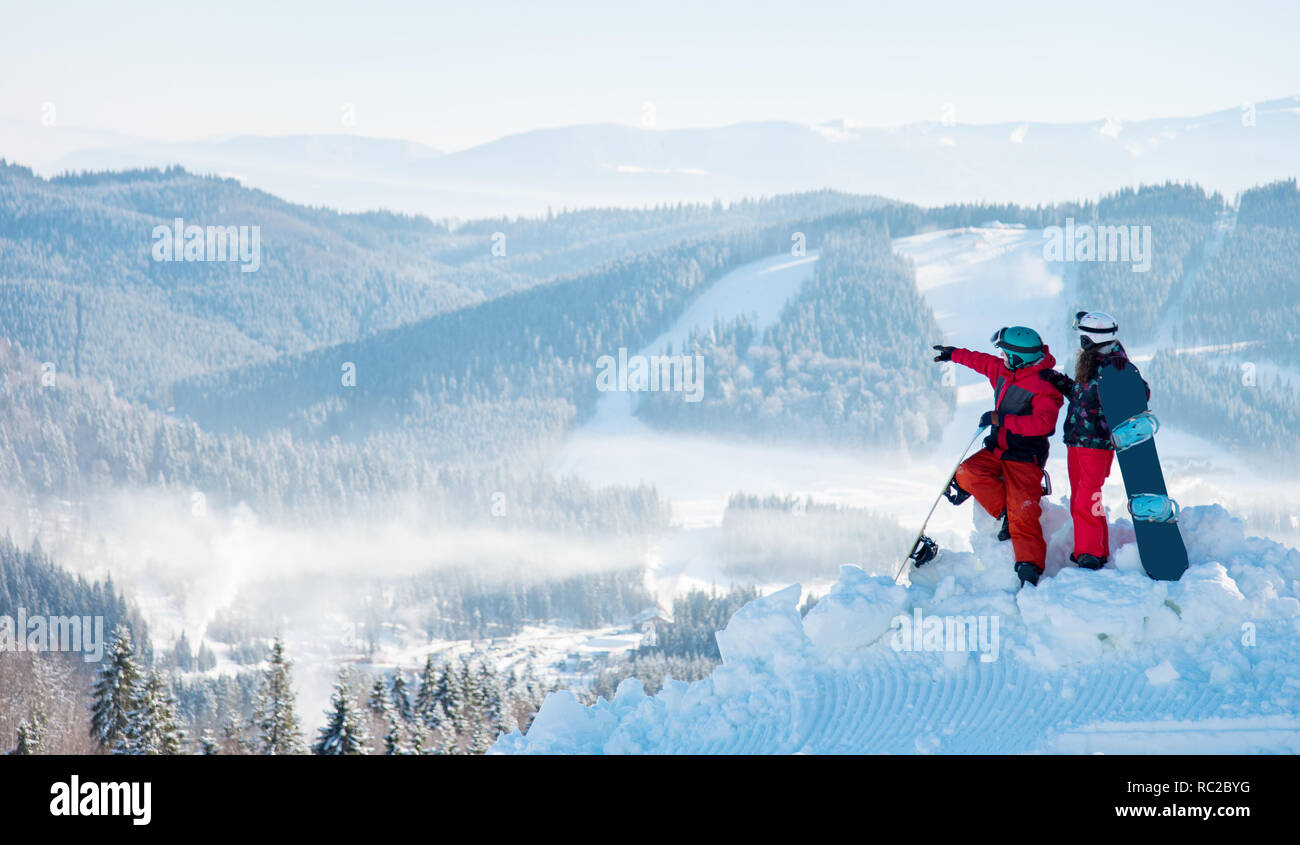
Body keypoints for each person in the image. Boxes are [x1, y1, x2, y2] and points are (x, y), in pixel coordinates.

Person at [933, 326, 1064, 587]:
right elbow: (980, 361)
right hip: (997, 449)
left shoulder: (1046, 385)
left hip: (1025, 457)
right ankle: (1004, 511)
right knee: (967, 472)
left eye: (1006, 354)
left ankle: (1029, 569)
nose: (1002, 357)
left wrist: (1000, 419)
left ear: (1018, 357)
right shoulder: (1006, 371)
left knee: (1024, 514)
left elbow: (1043, 424)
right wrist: (954, 354)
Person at [1040, 311, 1149, 571]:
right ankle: (1094, 549)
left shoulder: (1115, 365)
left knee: (1086, 498)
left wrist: (1126, 384)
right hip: (1078, 440)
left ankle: (1089, 553)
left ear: (1089, 339)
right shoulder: (1095, 360)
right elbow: (1082, 398)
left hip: (1095, 444)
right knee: (1083, 496)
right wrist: (1058, 380)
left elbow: (1140, 393)